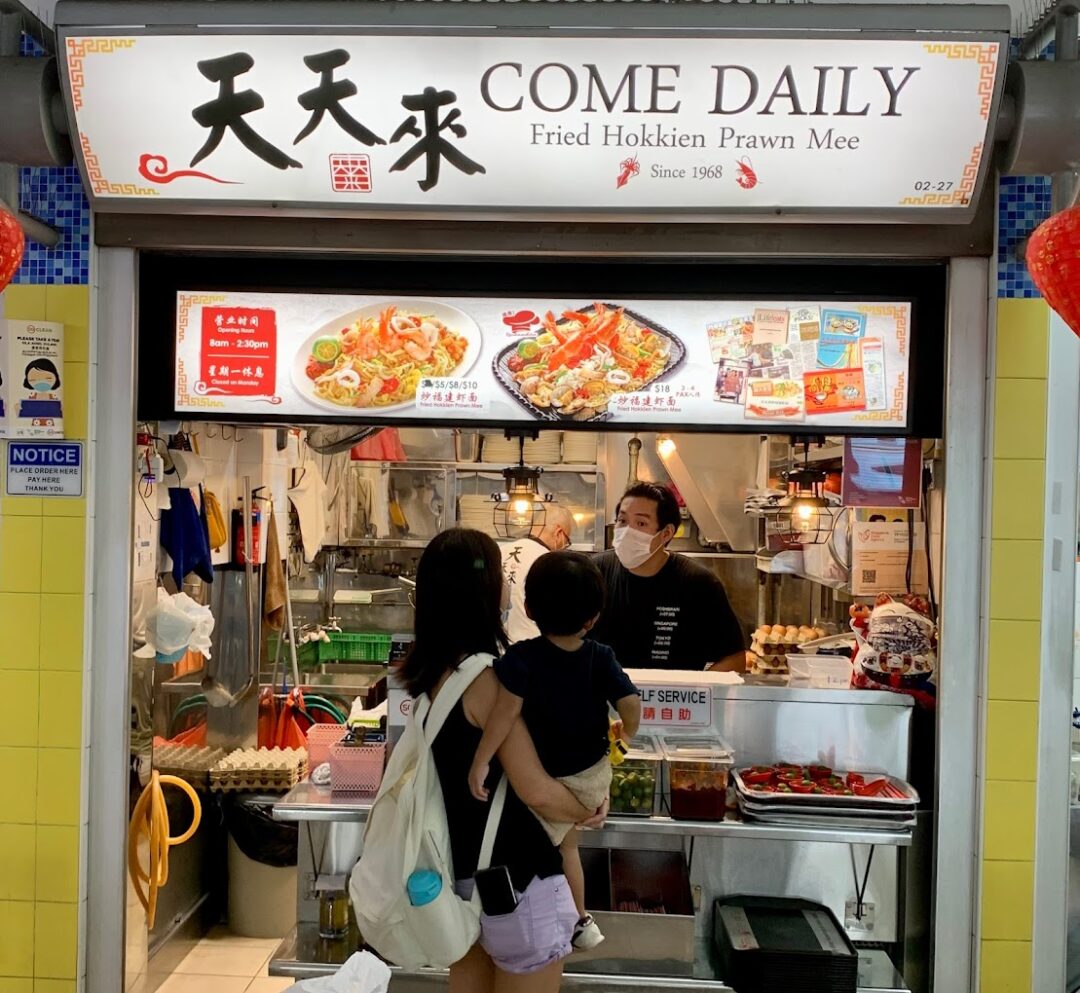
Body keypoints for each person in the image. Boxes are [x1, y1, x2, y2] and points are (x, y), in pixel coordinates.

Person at [399, 528, 607, 993]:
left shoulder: (431, 675)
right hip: (520, 881)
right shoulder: (491, 680)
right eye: (499, 573)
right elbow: (534, 788)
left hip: (464, 878)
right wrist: (586, 809)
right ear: (485, 590)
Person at [468, 551, 641, 951]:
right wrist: (624, 737)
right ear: (593, 617)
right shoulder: (601, 657)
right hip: (592, 776)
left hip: (549, 780)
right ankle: (580, 920)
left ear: (528, 608)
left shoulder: (521, 660)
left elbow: (504, 715)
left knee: (550, 850)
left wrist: (481, 760)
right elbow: (631, 705)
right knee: (568, 848)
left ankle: (557, 920)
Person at [591, 481, 747, 672]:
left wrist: (692, 693)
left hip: (669, 701)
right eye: (622, 521)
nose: (626, 532)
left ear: (666, 533)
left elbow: (734, 660)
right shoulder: (594, 572)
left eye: (640, 523)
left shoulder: (698, 583)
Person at [500, 503, 574, 643]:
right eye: (567, 541)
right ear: (559, 533)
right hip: (531, 651)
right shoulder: (550, 562)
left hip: (496, 649)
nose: (565, 547)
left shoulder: (500, 551)